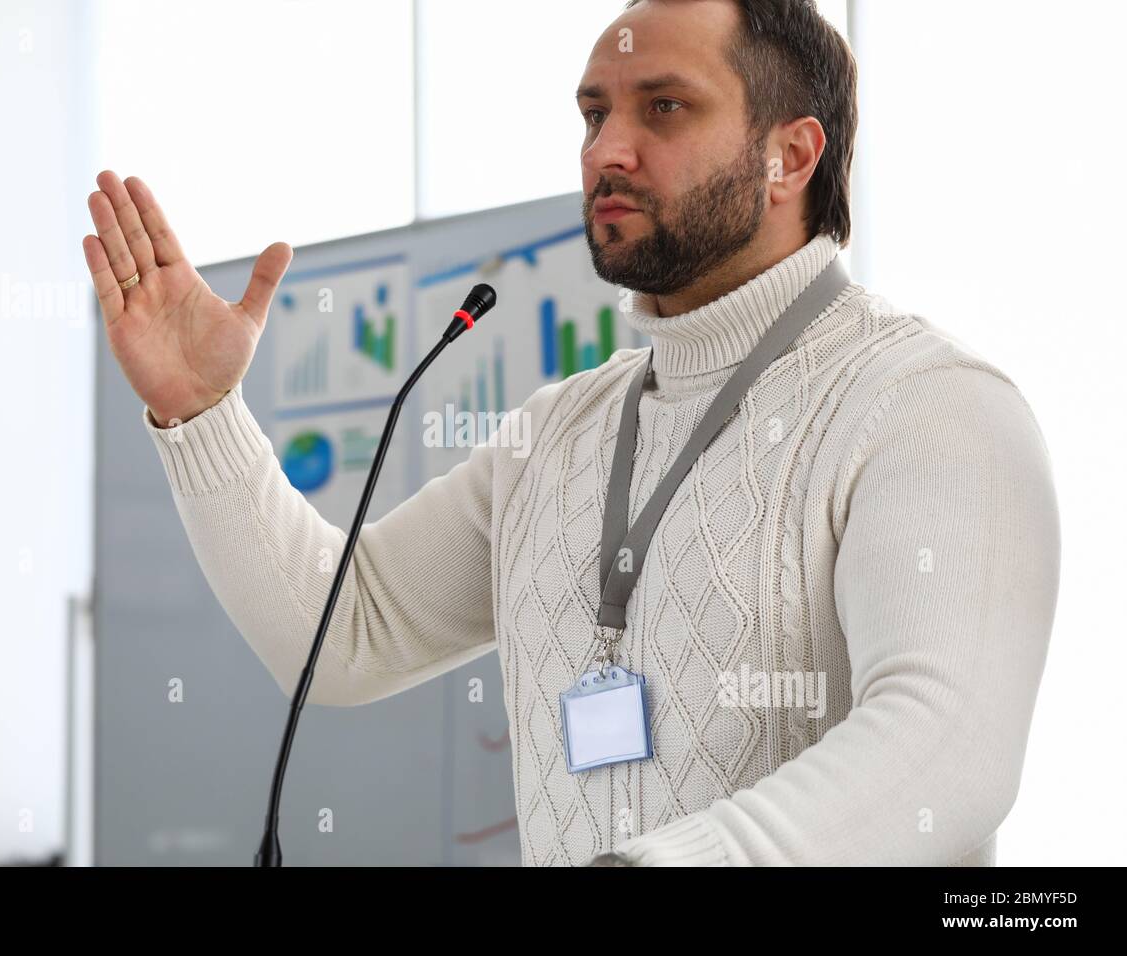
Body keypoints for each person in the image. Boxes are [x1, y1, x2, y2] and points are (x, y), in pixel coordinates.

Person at [81, 0, 1060, 867]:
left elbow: (948, 745)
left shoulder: (924, 401)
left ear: (789, 154)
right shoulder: (557, 433)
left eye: (662, 107)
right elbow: (343, 636)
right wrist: (203, 413)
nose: (606, 151)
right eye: (594, 113)